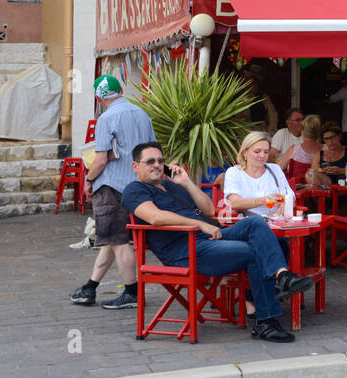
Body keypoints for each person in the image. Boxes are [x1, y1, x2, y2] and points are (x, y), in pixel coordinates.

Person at [120, 141, 319, 343]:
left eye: (160, 161)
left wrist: (187, 182)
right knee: (256, 251)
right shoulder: (134, 190)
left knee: (257, 223)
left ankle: (282, 276)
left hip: (210, 237)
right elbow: (155, 217)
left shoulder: (172, 185)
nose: (157, 165)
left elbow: (208, 210)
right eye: (150, 161)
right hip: (186, 250)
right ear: (136, 166)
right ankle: (266, 322)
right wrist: (199, 224)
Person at [70, 75, 154, 310]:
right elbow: (153, 151)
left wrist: (88, 180)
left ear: (99, 97)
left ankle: (131, 292)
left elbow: (101, 159)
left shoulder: (107, 118)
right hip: (137, 186)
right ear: (121, 90)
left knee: (118, 241)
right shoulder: (142, 114)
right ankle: (90, 287)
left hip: (112, 187)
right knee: (110, 239)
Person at [224, 131, 294, 219]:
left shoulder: (275, 169)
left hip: (275, 221)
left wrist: (275, 216)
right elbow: (233, 203)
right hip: (246, 223)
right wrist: (264, 200)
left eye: (266, 152)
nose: (262, 155)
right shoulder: (234, 172)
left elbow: (290, 198)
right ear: (245, 152)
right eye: (257, 151)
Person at [312, 120, 347, 186]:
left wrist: (342, 170)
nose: (330, 142)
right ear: (323, 140)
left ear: (339, 136)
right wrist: (321, 170)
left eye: (332, 137)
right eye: (326, 139)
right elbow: (313, 173)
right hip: (327, 188)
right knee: (311, 174)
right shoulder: (319, 154)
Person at [281, 114, 323, 185]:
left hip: (297, 190)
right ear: (319, 133)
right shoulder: (326, 149)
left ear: (302, 132)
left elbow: (277, 168)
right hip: (321, 192)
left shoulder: (294, 149)